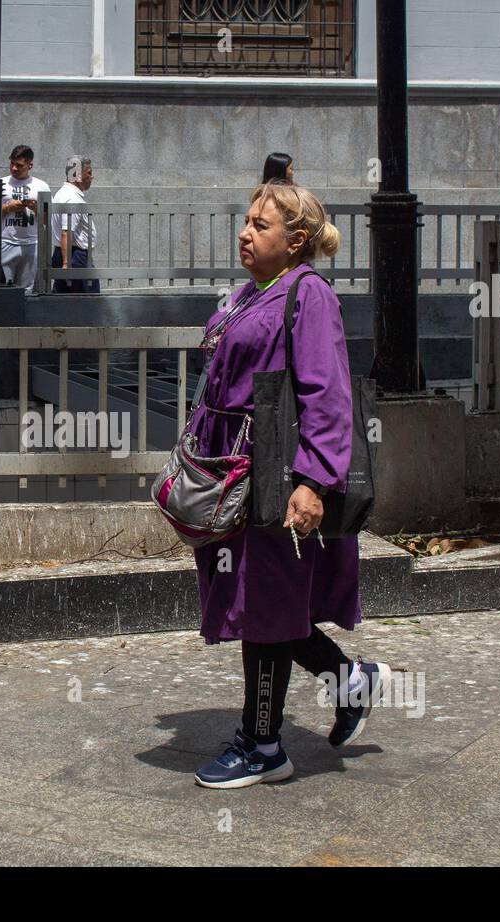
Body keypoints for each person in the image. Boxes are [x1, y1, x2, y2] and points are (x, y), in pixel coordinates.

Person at [189, 181, 391, 789]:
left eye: (261, 225)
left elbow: (326, 393)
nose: (245, 233)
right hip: (236, 472)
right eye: (246, 222)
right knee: (259, 599)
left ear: (296, 240)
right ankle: (347, 679)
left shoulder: (309, 294)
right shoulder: (253, 294)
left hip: (278, 474)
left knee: (268, 605)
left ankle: (263, 744)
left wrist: (314, 482)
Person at [0, 145, 49, 294]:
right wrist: (8, 208)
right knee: (3, 288)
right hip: (6, 241)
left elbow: (48, 220)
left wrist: (36, 209)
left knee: (26, 291)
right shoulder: (1, 184)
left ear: (30, 165)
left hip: (31, 243)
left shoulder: (41, 186)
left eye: (19, 165)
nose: (14, 168)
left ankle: (21, 317)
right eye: (12, 164)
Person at [50, 155, 99, 294]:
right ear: (77, 175)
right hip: (75, 257)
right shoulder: (72, 198)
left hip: (66, 254)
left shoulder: (62, 193)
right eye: (89, 172)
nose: (92, 177)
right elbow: (66, 232)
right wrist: (67, 264)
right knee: (88, 302)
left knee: (63, 301)